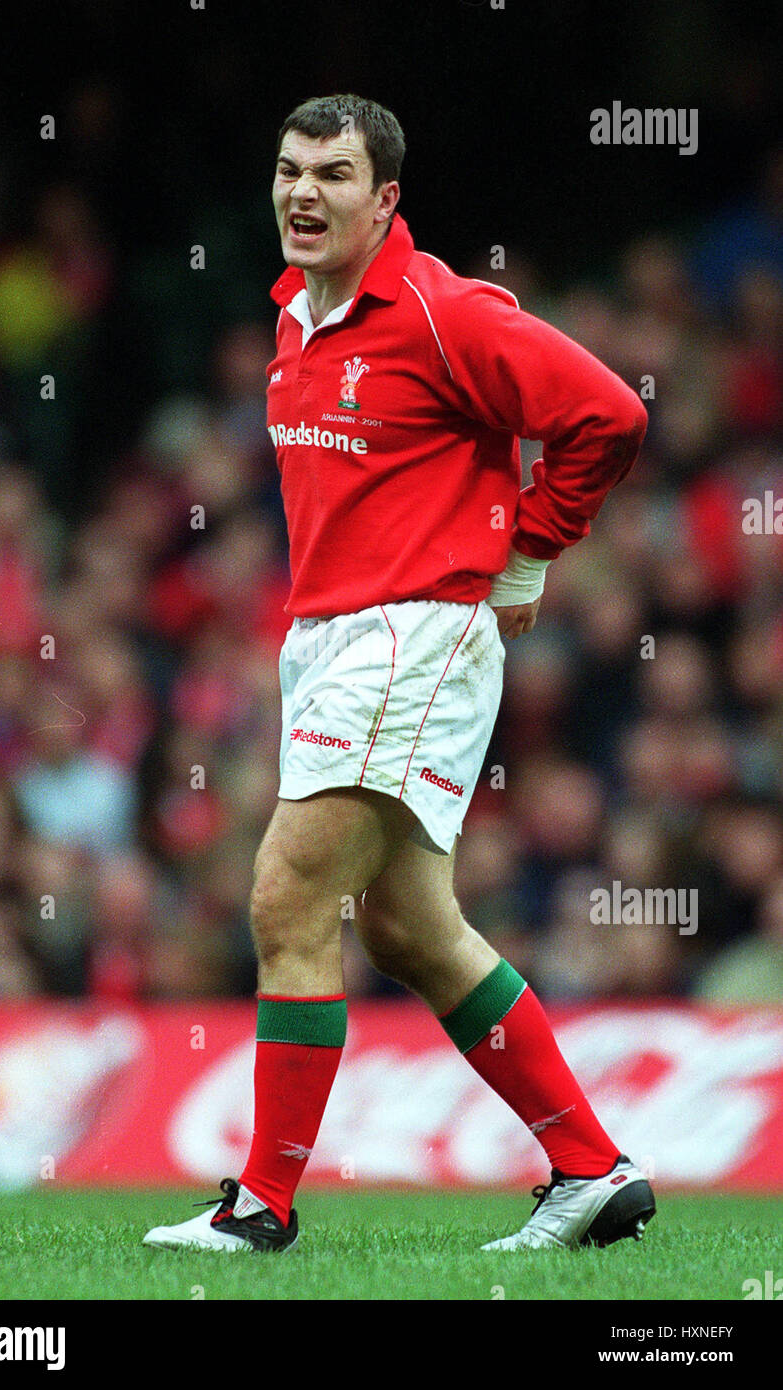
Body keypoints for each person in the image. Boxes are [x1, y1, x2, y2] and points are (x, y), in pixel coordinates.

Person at [144, 94, 655, 1254]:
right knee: (408, 929)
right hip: (329, 639)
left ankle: (261, 1207)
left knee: (285, 893)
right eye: (286, 170)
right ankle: (591, 1170)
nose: (301, 193)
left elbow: (608, 415)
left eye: (332, 174)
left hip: (411, 633)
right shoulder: (294, 318)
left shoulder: (440, 312)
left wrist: (529, 548)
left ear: (385, 200)